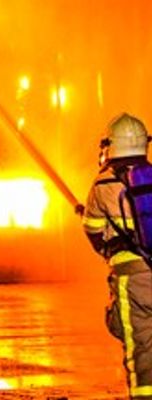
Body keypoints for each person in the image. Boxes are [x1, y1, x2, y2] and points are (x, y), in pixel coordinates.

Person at [82, 112, 152, 398]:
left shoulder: (102, 186)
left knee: (141, 346)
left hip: (132, 279)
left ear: (111, 145)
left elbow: (93, 232)